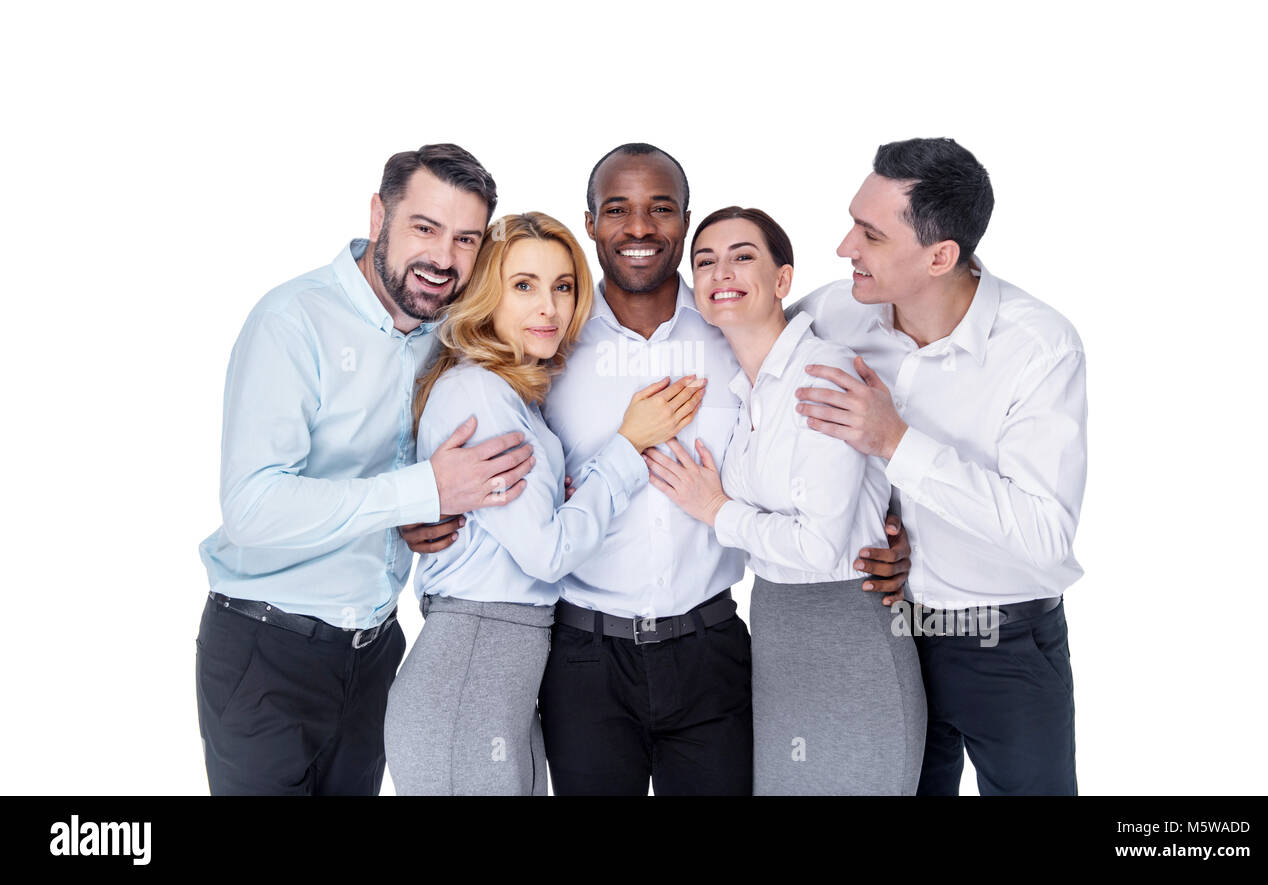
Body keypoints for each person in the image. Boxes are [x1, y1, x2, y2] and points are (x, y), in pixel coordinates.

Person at [525, 143, 913, 795]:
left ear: (684, 220)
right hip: (584, 656)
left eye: (662, 209)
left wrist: (883, 523)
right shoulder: (548, 337)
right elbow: (481, 418)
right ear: (589, 222)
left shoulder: (733, 325)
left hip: (711, 649)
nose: (640, 228)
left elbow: (820, 430)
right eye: (617, 209)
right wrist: (432, 509)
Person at [196, 144, 535, 796]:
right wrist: (421, 492)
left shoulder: (445, 330)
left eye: (465, 239)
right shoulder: (293, 321)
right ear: (379, 215)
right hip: (268, 651)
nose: (442, 257)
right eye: (425, 228)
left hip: (377, 654)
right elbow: (252, 507)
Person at [789, 137, 1086, 795]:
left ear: (941, 256)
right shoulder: (832, 315)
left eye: (869, 234)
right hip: (884, 635)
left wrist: (896, 441)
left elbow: (1045, 534)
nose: (844, 248)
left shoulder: (1039, 346)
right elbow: (747, 377)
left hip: (1002, 640)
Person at [383, 212, 706, 795]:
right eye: (524, 285)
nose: (549, 308)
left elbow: (531, 532)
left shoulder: (514, 394)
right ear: (487, 293)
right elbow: (549, 554)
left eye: (563, 286)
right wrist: (629, 445)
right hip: (468, 682)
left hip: (501, 682)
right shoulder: (477, 391)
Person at [643, 206, 927, 794]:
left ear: (782, 281)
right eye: (705, 261)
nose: (722, 271)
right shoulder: (746, 388)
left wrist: (716, 510)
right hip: (778, 634)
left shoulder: (821, 376)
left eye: (742, 256)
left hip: (847, 634)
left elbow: (821, 547)